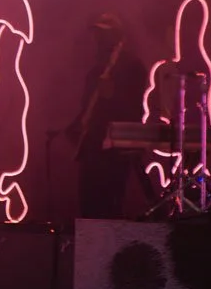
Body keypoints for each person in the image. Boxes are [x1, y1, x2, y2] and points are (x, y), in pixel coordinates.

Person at [64, 13, 150, 219]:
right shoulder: (95, 72)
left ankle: (108, 249)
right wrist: (75, 126)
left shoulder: (132, 66)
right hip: (92, 147)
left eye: (103, 35)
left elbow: (134, 110)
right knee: (88, 205)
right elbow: (88, 108)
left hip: (116, 149)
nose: (97, 40)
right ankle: (92, 248)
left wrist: (113, 96)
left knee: (110, 206)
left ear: (116, 37)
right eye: (96, 35)